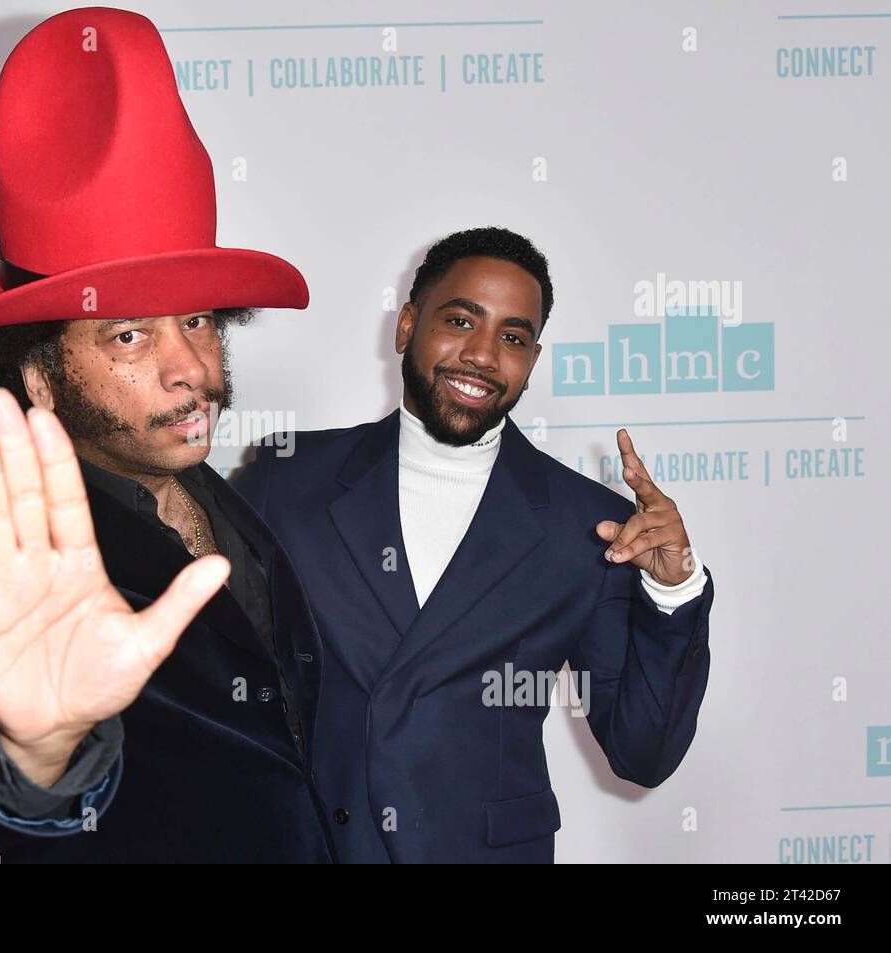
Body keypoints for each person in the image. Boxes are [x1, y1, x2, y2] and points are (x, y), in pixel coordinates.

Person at [0, 7, 333, 862]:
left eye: (197, 318)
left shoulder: (227, 502)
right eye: (129, 335)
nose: (187, 366)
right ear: (39, 375)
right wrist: (29, 748)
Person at [232, 226, 715, 862]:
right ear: (406, 326)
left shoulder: (590, 526)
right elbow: (223, 685)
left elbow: (643, 755)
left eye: (512, 337)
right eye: (461, 320)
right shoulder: (287, 479)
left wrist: (671, 591)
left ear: (532, 361)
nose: (484, 355)